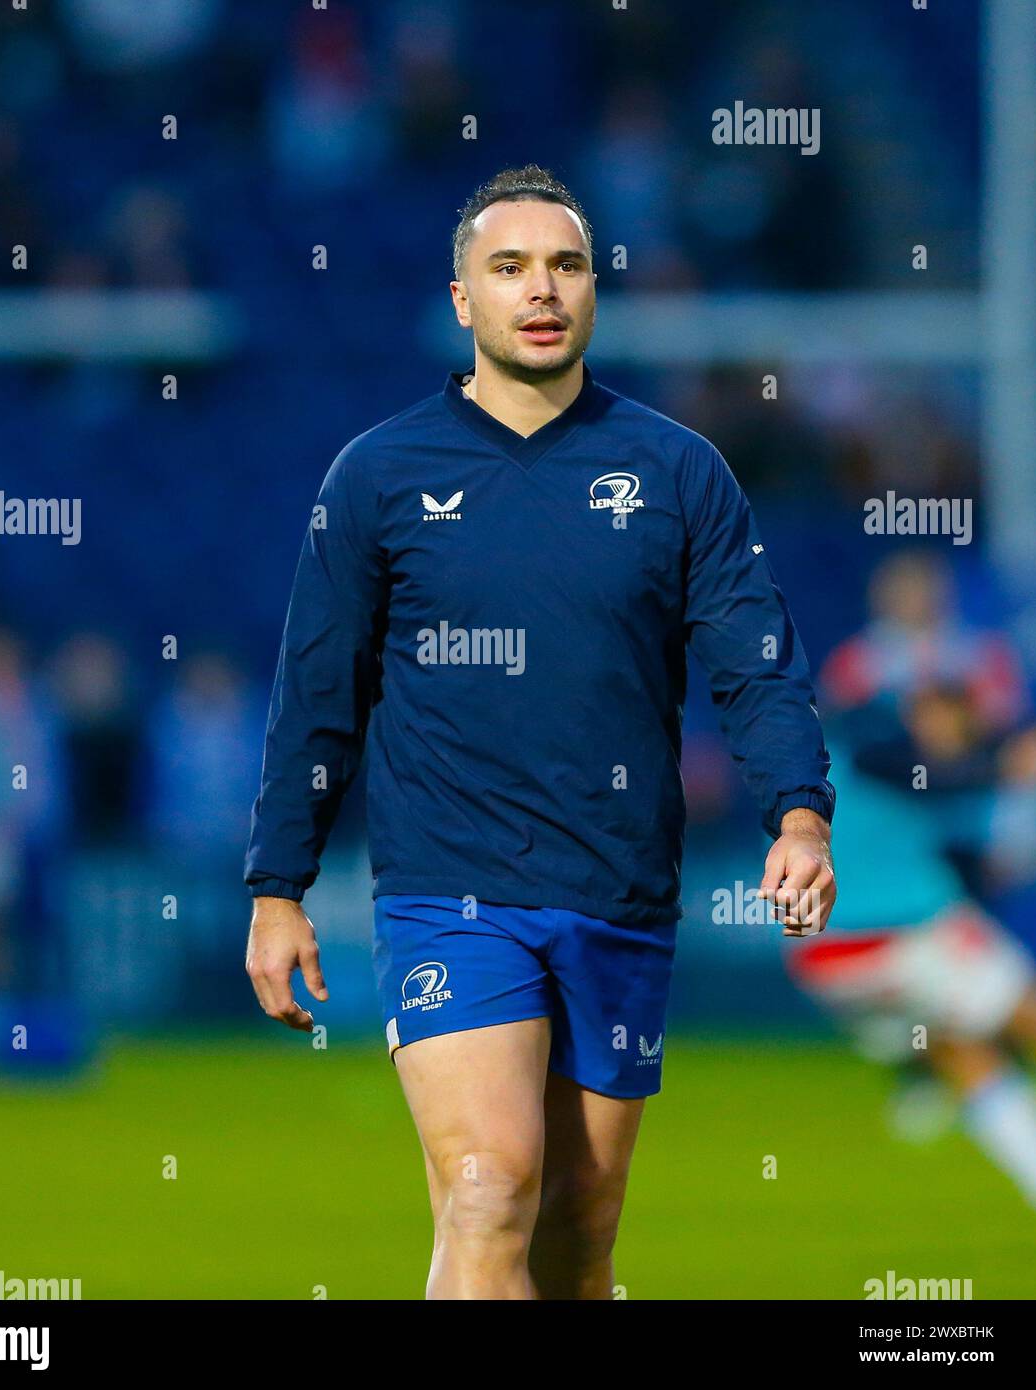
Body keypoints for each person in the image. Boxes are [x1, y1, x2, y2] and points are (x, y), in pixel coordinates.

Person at [244, 165, 837, 1299]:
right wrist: (278, 887)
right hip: (445, 886)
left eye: (564, 264)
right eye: (507, 267)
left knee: (577, 1231)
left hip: (616, 883)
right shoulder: (378, 475)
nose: (540, 288)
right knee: (487, 1184)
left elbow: (756, 669)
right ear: (462, 299)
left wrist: (799, 815)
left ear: (594, 292)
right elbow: (317, 694)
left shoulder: (677, 471)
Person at [786, 738, 1036, 1215]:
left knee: (959, 1049)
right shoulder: (870, 741)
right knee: (1032, 1019)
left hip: (824, 960)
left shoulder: (788, 762)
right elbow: (918, 770)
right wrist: (1006, 762)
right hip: (907, 930)